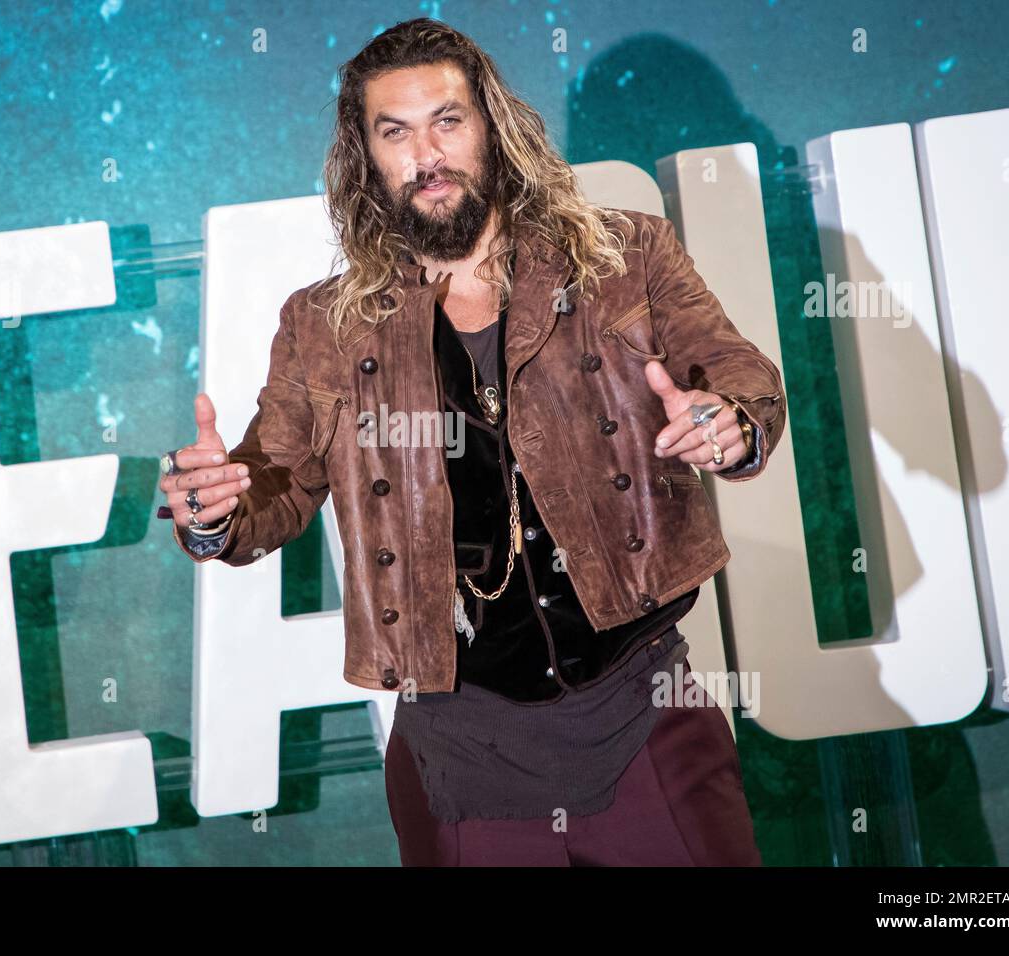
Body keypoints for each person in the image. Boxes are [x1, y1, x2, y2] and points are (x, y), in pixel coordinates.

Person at [159, 18, 785, 866]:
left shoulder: (626, 256)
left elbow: (743, 378)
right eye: (397, 131)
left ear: (492, 126)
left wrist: (732, 425)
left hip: (645, 713)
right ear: (366, 156)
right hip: (459, 752)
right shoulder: (325, 327)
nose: (427, 153)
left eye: (447, 121)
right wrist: (212, 513)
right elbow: (272, 486)